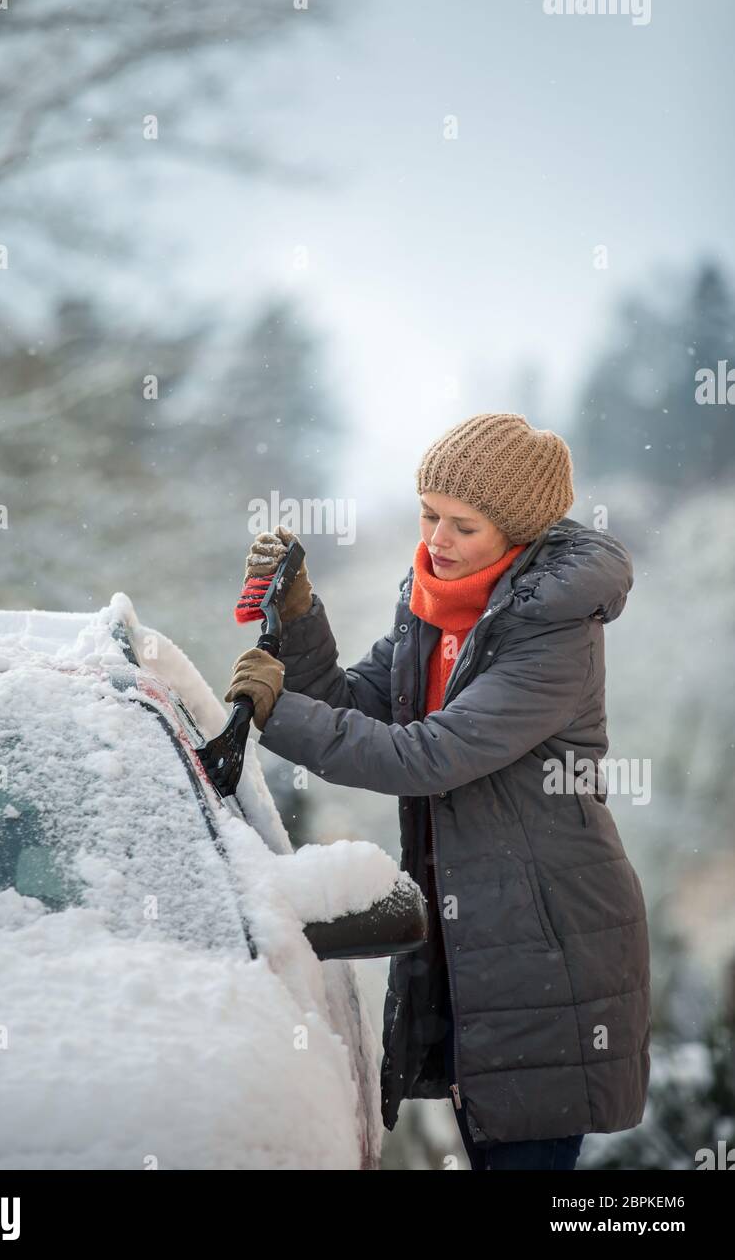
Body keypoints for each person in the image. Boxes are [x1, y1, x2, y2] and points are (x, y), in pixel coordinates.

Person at [224, 411, 651, 1170]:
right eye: (429, 516)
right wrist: (297, 620)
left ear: (515, 534)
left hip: (549, 945)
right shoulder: (436, 609)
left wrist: (277, 711)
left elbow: (426, 755)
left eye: (464, 525)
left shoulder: (553, 635)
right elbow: (356, 704)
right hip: (470, 943)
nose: (437, 540)